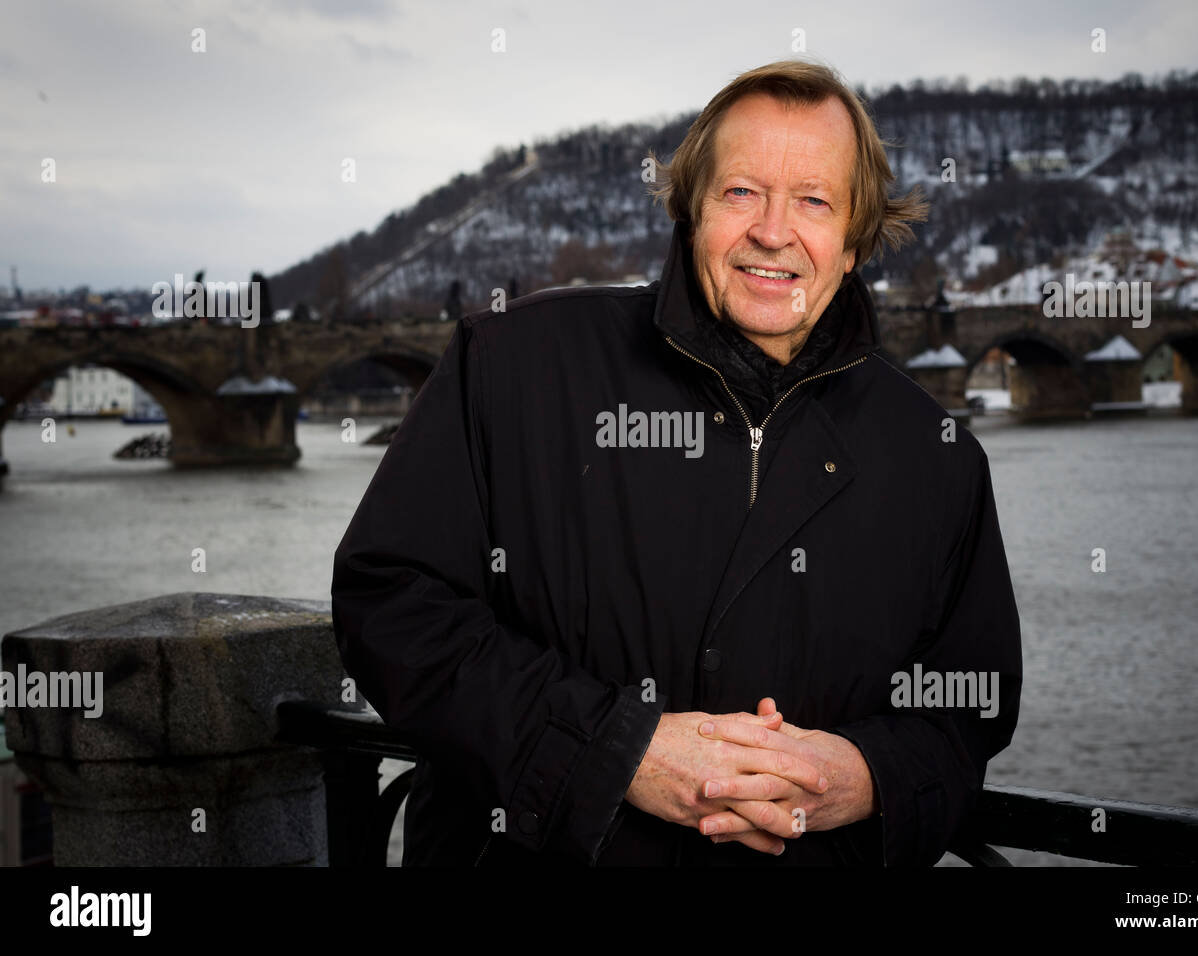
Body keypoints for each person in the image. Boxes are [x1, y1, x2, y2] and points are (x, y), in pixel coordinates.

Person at [331, 58, 1022, 867]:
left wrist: (868, 775)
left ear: (855, 243)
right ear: (691, 209)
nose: (773, 230)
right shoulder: (514, 365)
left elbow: (967, 711)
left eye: (814, 201)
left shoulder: (937, 457)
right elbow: (391, 606)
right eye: (740, 192)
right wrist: (614, 751)